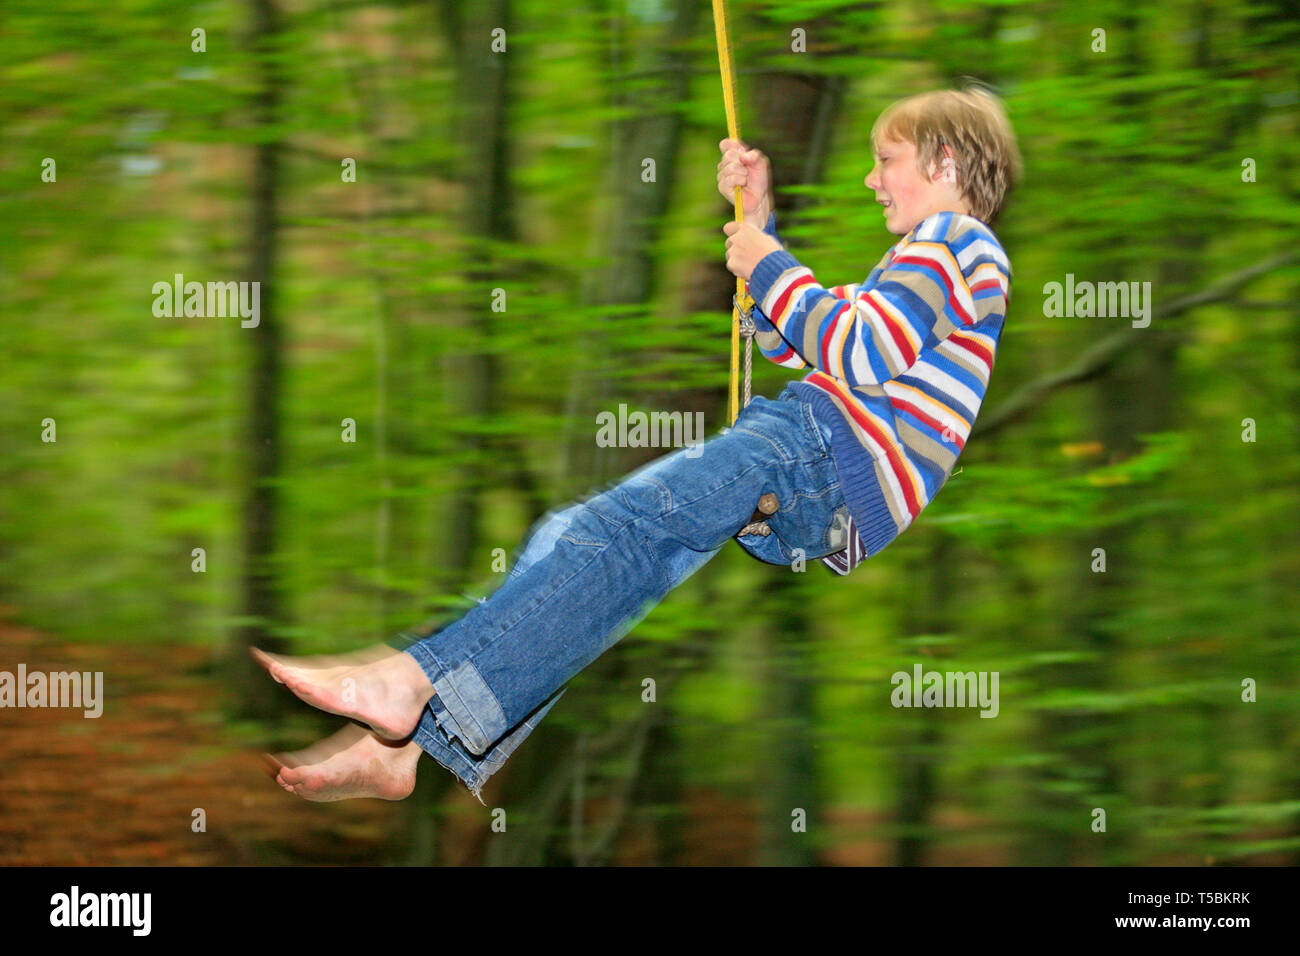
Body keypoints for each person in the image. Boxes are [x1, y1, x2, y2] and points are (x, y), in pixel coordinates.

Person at [254, 85, 1022, 805]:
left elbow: (855, 350)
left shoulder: (956, 242)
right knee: (595, 554)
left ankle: (410, 685)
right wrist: (761, 222)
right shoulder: (931, 261)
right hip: (823, 483)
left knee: (606, 534)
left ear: (943, 162)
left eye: (885, 160)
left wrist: (771, 265)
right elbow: (803, 340)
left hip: (820, 455)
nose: (870, 179)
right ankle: (412, 743)